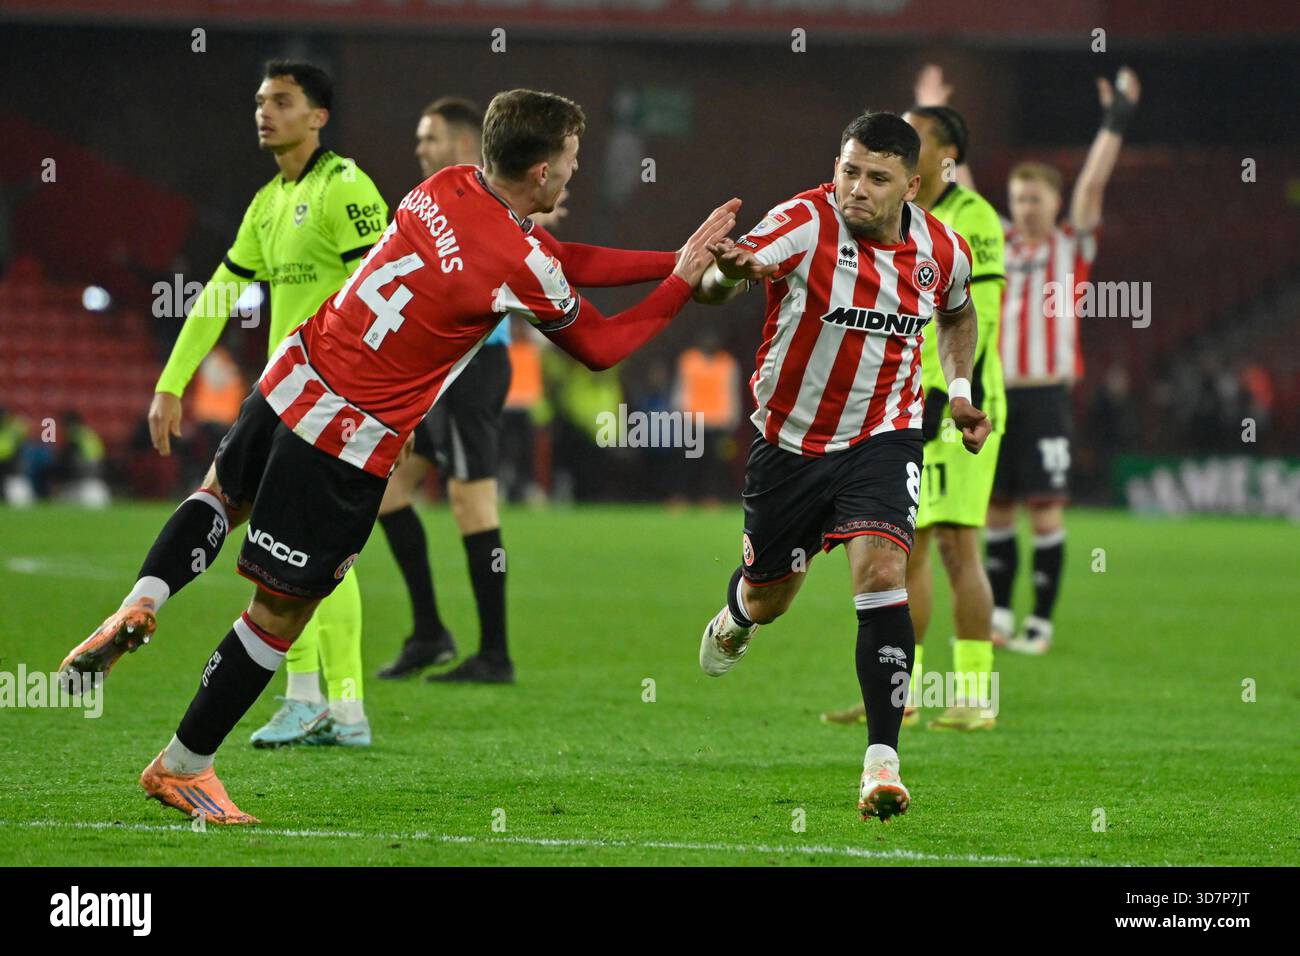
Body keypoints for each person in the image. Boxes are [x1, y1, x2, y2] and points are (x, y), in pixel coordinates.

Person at [58, 87, 739, 824]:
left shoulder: (442, 188)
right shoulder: (520, 259)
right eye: (571, 162)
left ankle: (142, 600)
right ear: (541, 173)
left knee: (220, 495)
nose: (574, 175)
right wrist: (678, 284)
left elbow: (558, 257)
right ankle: (184, 765)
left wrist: (671, 256)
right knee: (280, 613)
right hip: (348, 435)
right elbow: (602, 345)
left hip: (295, 375)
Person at [692, 111, 991, 821]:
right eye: (848, 169)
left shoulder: (942, 249)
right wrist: (720, 277)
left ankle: (881, 765)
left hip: (883, 439)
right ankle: (737, 614)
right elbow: (723, 280)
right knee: (771, 597)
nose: (855, 188)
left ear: (910, 188)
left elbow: (957, 312)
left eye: (875, 178)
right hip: (788, 444)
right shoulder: (804, 220)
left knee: (884, 570)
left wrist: (960, 392)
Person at [145, 60, 387, 747]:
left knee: (306, 551)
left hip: (340, 397)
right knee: (298, 550)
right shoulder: (268, 202)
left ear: (319, 117)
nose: (265, 111)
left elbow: (388, 286)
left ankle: (327, 703)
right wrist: (172, 381)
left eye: (282, 101)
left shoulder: (348, 191)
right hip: (286, 398)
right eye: (260, 100)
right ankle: (332, 707)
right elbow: (221, 293)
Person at [916, 66, 1140, 653]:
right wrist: (933, 114)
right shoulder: (998, 242)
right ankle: (1003, 621)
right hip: (995, 391)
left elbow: (1093, 186)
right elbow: (955, 179)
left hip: (1044, 395)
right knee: (993, 514)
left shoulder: (1072, 244)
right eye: (1018, 198)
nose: (1026, 206)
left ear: (1053, 201)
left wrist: (1116, 119)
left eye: (1035, 198)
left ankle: (1039, 623)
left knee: (1043, 513)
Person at [822, 90, 1008, 731]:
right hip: (908, 409)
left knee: (958, 546)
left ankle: (978, 697)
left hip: (959, 408)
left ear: (945, 158)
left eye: (915, 136)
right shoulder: (898, 222)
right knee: (909, 551)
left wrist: (956, 397)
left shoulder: (971, 219)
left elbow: (974, 317)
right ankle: (905, 692)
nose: (902, 142)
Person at [377, 97, 564, 684]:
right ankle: (430, 631)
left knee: (471, 502)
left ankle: (495, 653)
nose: (419, 149)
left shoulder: (486, 204)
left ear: (462, 146)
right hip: (440, 372)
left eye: (428, 138)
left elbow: (529, 239)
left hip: (472, 369)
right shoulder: (444, 203)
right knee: (387, 492)